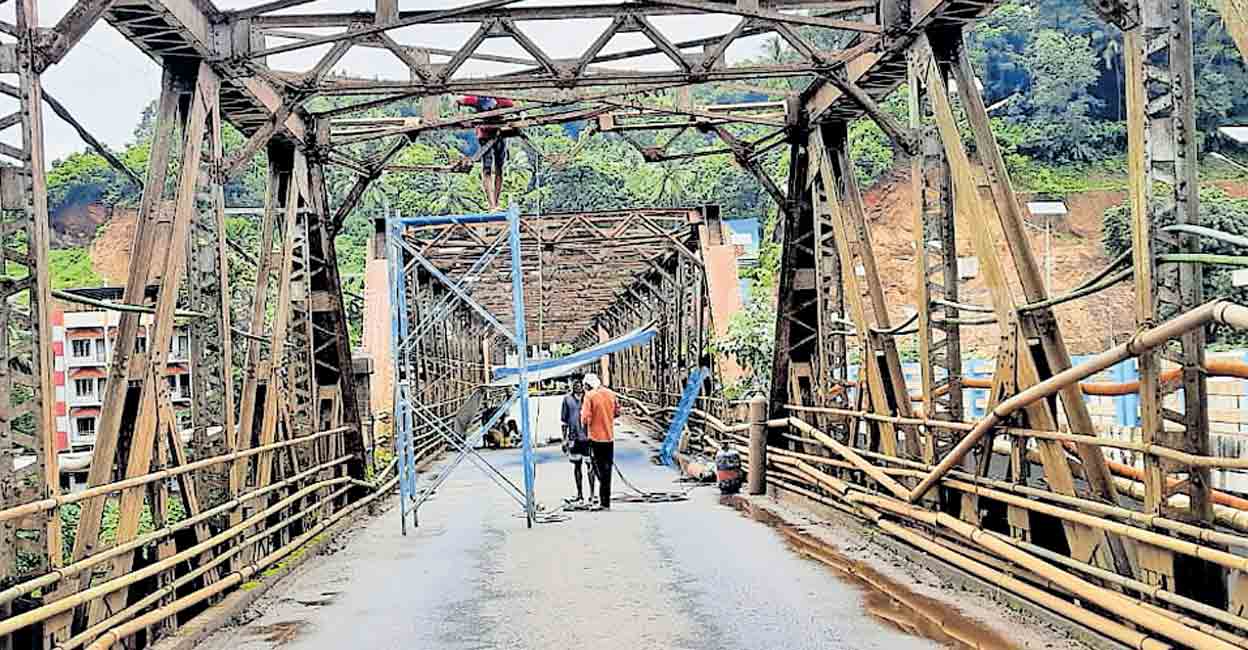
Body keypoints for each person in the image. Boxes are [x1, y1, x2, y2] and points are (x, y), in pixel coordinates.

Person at [456, 95, 515, 211]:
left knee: (498, 169)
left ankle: (495, 203)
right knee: (488, 169)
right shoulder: (478, 100)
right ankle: (492, 204)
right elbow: (461, 100)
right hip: (485, 135)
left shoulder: (501, 100)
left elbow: (514, 106)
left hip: (499, 134)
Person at [580, 373, 620, 510]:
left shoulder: (589, 396)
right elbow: (617, 412)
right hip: (609, 437)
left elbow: (585, 419)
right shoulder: (610, 394)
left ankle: (603, 502)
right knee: (607, 470)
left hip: (595, 438)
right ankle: (605, 502)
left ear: (587, 385)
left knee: (599, 470)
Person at [561, 377, 595, 504]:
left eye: (579, 384)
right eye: (574, 384)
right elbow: (564, 421)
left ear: (583, 385)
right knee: (577, 466)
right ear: (571, 385)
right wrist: (564, 439)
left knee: (590, 465)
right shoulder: (567, 400)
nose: (577, 386)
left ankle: (592, 494)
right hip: (574, 438)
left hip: (588, 438)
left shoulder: (589, 398)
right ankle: (580, 494)